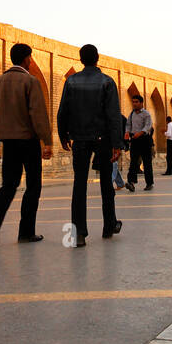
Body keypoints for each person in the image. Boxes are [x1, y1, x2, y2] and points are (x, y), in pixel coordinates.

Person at [56, 44, 124, 247]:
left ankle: (79, 233)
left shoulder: (72, 81)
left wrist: (63, 135)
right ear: (98, 58)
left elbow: (63, 111)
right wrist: (117, 143)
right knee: (105, 183)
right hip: (102, 139)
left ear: (80, 59)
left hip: (79, 138)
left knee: (79, 184)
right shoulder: (107, 82)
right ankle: (109, 225)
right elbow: (113, 115)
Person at [0, 43, 53, 243]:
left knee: (9, 184)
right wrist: (47, 141)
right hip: (28, 141)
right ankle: (26, 231)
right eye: (30, 57)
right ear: (25, 59)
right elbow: (38, 114)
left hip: (9, 142)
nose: (31, 61)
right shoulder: (30, 81)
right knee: (33, 184)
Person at [126, 94, 154, 191]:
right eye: (133, 102)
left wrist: (140, 133)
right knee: (133, 161)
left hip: (144, 140)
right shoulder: (132, 114)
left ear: (141, 103)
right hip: (135, 140)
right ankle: (131, 182)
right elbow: (128, 125)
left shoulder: (146, 114)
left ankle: (149, 183)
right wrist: (127, 132)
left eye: (136, 102)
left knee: (147, 162)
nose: (134, 104)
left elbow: (148, 126)